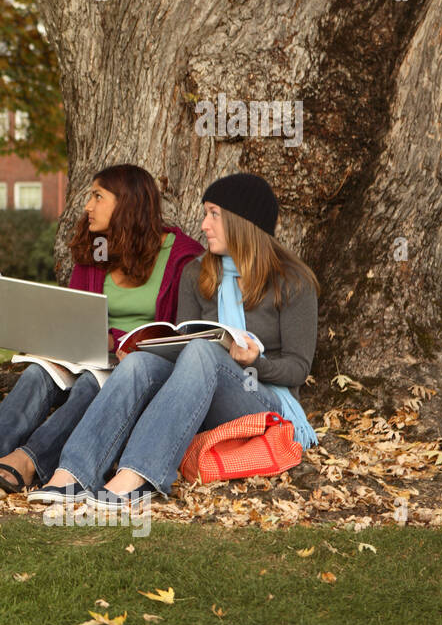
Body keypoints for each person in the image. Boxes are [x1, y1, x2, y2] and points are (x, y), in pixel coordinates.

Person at [36, 172, 319, 508]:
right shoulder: (198, 273)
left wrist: (255, 361)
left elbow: (299, 369)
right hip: (199, 398)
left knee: (202, 350)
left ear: (243, 222)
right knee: (143, 362)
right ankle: (75, 473)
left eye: (214, 214)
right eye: (206, 214)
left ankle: (138, 475)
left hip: (260, 401)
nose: (203, 225)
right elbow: (183, 341)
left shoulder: (292, 281)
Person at [0, 164, 203, 494]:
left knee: (91, 383)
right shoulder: (96, 247)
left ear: (128, 203)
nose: (88, 206)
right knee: (37, 372)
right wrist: (51, 337)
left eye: (97, 197)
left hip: (137, 364)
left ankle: (26, 462)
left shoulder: (180, 256)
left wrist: (116, 340)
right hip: (87, 351)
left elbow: (180, 330)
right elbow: (77, 310)